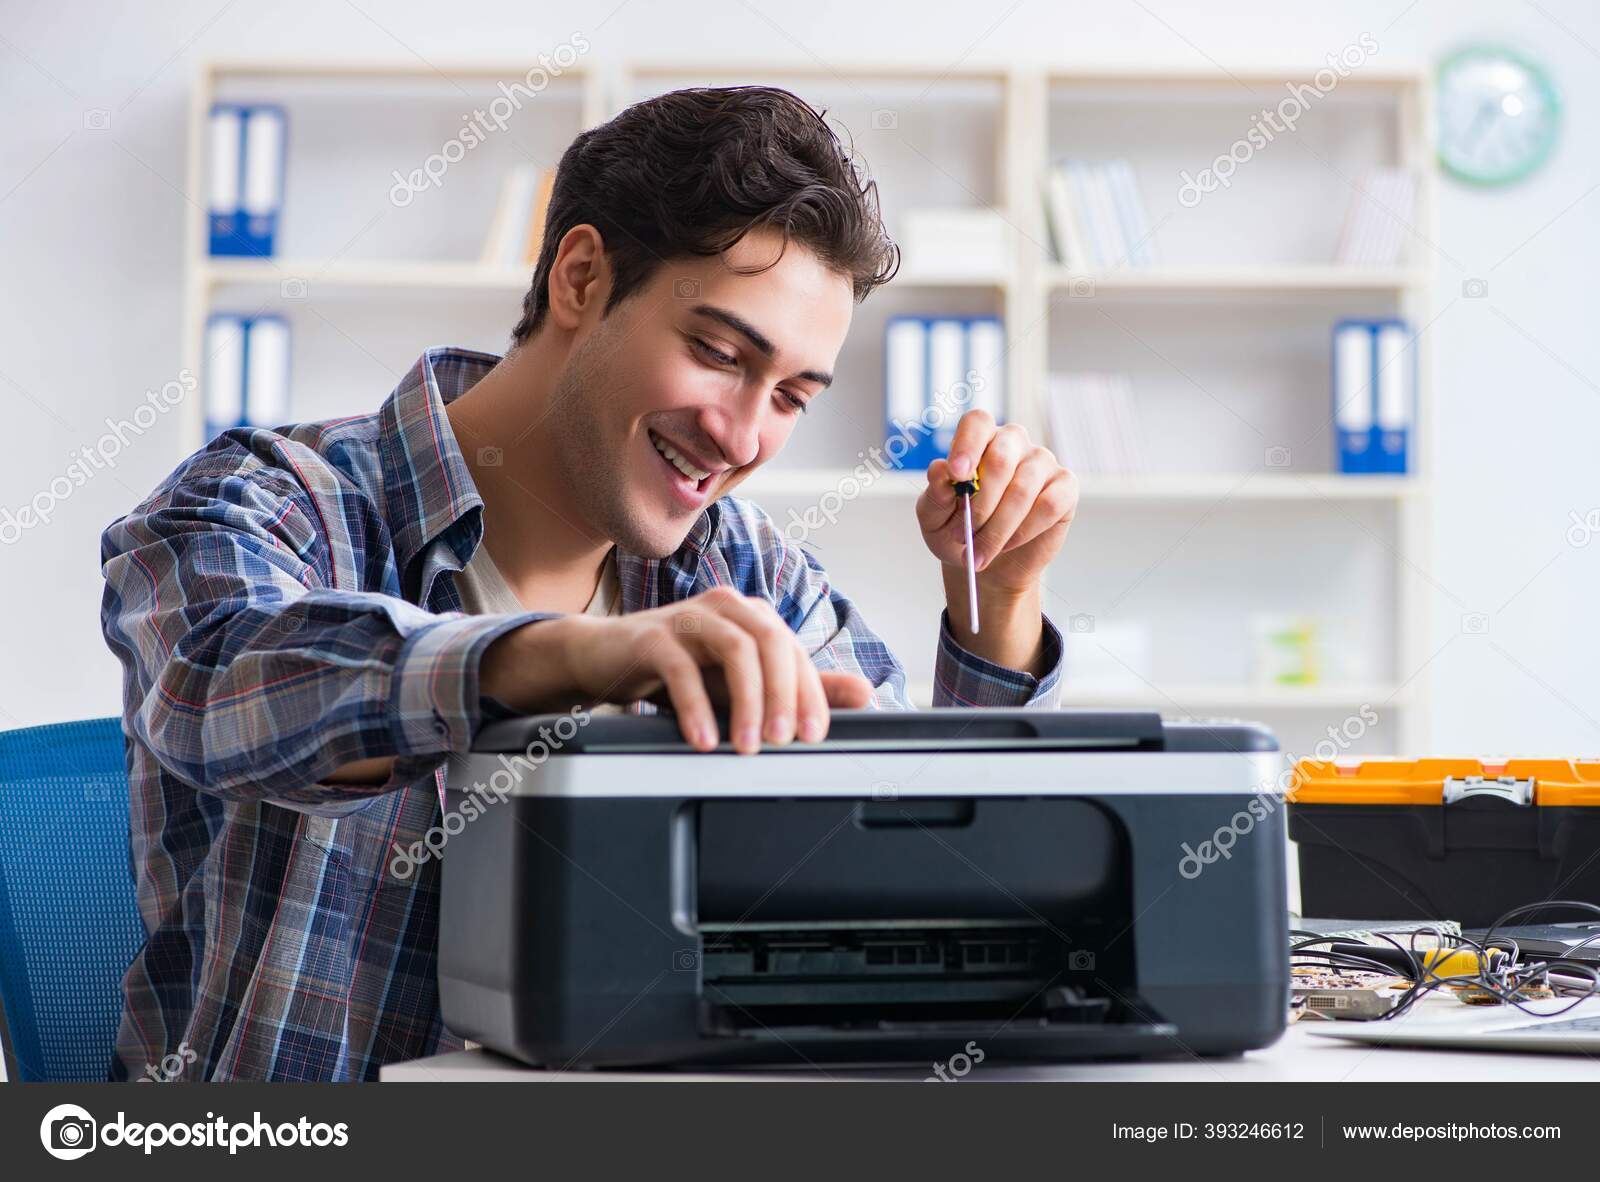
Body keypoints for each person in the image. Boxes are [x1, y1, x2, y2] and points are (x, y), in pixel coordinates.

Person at [99, 85, 1078, 1081]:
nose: (741, 439)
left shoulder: (741, 569)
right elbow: (217, 687)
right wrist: (566, 659)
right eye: (716, 352)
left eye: (788, 395)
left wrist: (997, 605)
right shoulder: (269, 502)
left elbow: (920, 850)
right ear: (579, 278)